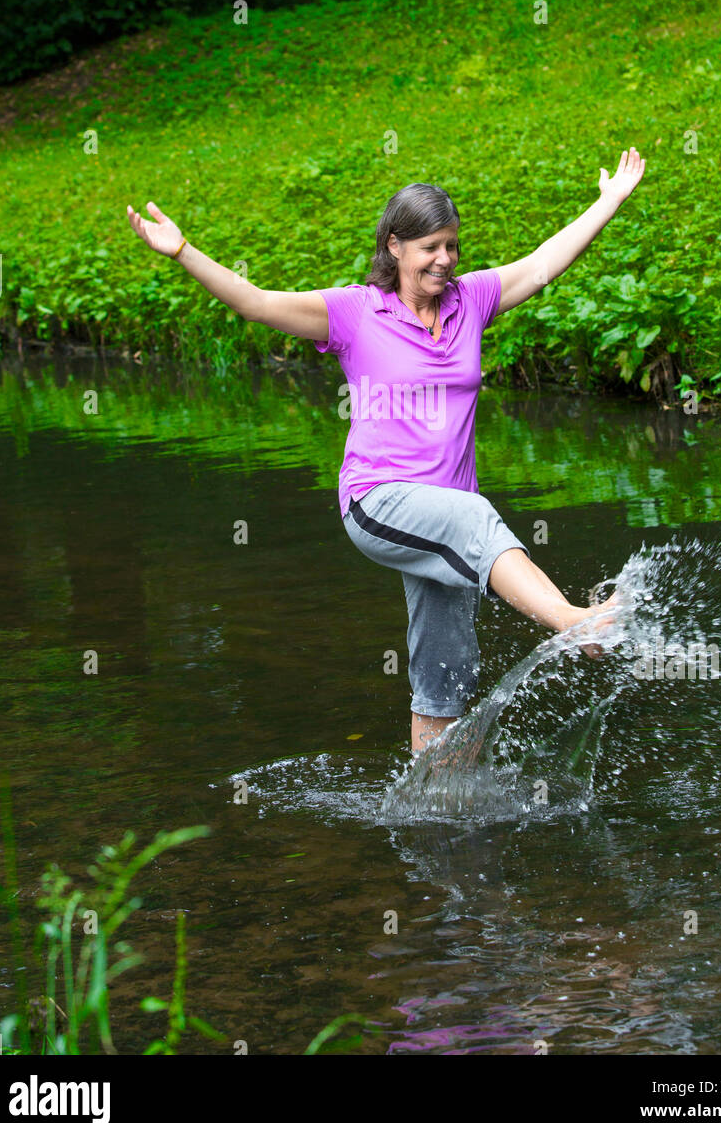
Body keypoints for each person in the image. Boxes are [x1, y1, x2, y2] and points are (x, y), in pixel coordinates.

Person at [127, 147, 645, 753]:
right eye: (430, 248)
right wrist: (185, 252)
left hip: (446, 517)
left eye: (451, 246)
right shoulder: (355, 313)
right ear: (394, 246)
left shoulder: (469, 301)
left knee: (444, 675)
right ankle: (575, 624)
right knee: (476, 519)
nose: (444, 260)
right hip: (380, 502)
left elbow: (540, 265)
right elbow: (257, 302)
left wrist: (607, 202)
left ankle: (434, 801)